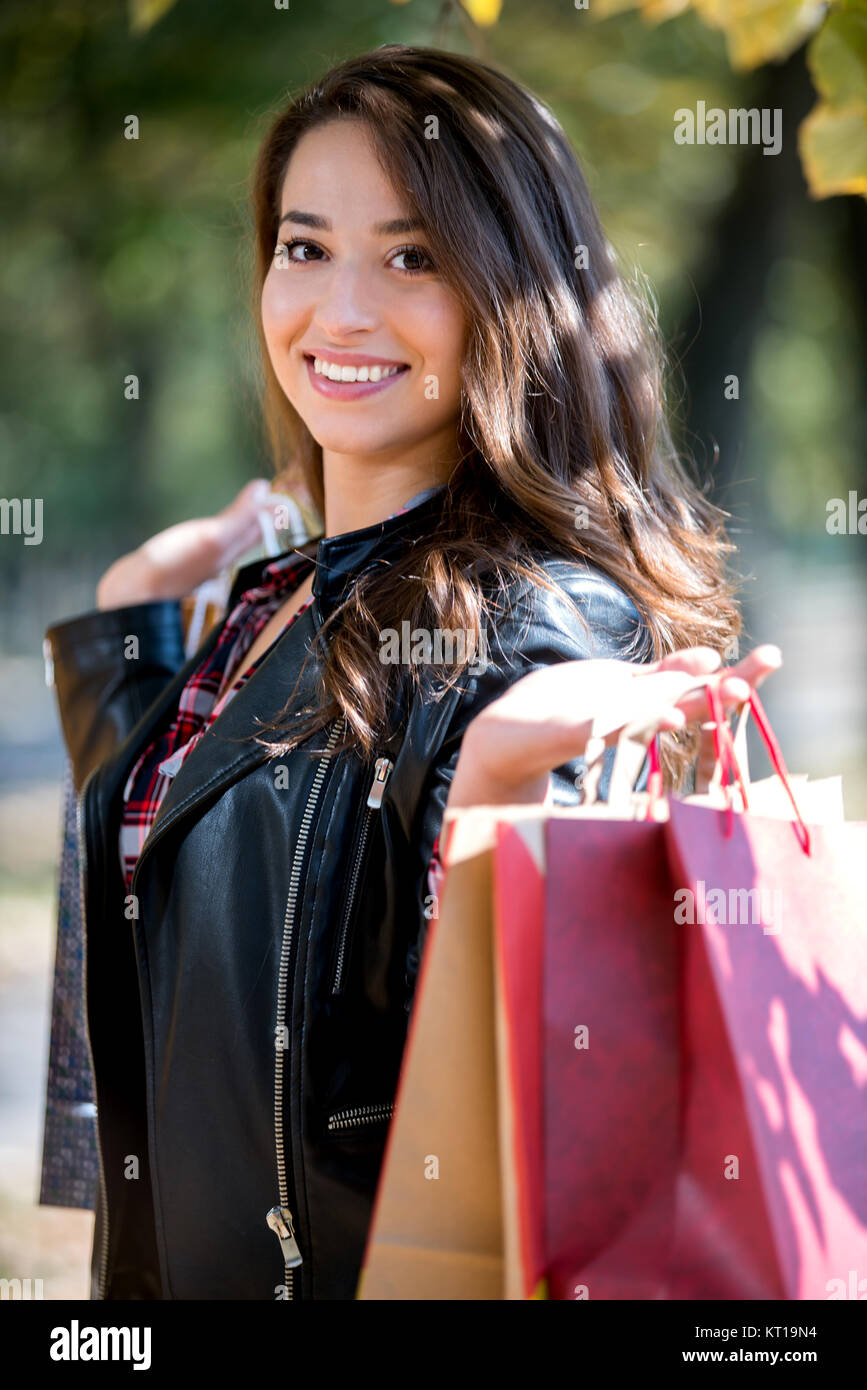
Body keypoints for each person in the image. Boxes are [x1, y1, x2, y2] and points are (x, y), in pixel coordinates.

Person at [43, 44, 780, 1301]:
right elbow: (176, 956)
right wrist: (130, 640)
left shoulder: (535, 627)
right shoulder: (274, 603)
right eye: (303, 244)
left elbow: (511, 1103)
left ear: (512, 294)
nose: (337, 310)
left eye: (412, 257)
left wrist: (496, 786)